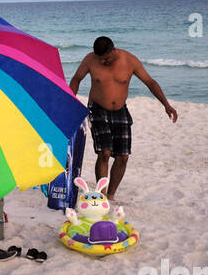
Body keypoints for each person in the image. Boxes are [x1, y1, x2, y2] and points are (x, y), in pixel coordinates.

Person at [69, 36, 177, 200]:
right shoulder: (90, 59)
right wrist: (71, 101)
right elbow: (76, 79)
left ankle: (111, 195)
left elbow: (150, 82)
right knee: (104, 153)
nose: (103, 61)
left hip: (120, 110)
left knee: (123, 157)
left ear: (114, 50)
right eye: (101, 58)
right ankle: (101, 195)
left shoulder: (130, 60)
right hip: (97, 109)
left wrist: (166, 105)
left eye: (106, 57)